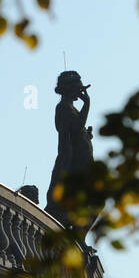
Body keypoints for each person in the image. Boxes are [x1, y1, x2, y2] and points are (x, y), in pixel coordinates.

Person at [46, 70, 93, 219]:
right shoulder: (63, 107)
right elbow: (76, 128)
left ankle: (79, 236)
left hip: (82, 162)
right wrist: (87, 104)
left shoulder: (72, 108)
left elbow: (77, 132)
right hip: (73, 164)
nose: (81, 91)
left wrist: (87, 137)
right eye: (78, 88)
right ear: (69, 89)